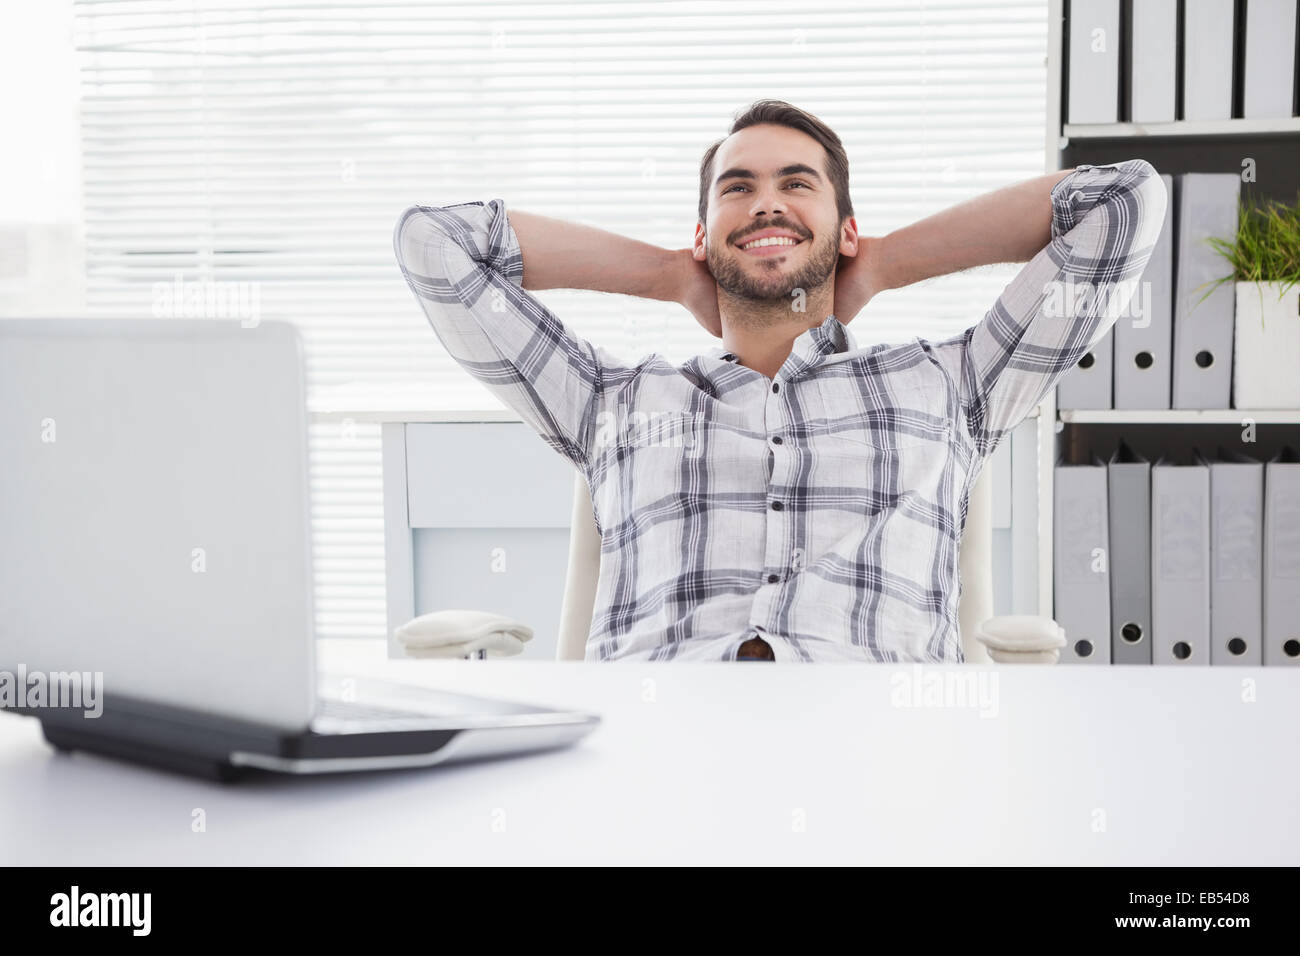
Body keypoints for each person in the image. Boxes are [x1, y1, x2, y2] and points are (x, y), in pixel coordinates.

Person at [394, 99, 1166, 664]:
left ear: (847, 228)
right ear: (702, 234)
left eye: (798, 184)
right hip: (655, 767)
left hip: (884, 765)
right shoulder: (610, 399)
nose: (766, 200)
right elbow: (434, 244)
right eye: (737, 188)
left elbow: (1126, 200)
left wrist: (887, 263)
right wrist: (668, 274)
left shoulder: (954, 385)